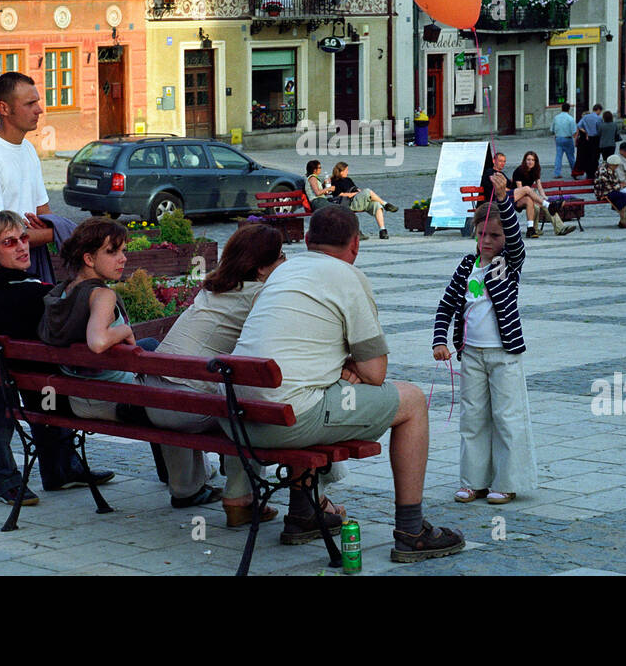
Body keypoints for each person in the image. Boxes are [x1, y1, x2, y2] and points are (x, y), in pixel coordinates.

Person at [227, 205, 465, 562]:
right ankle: (411, 531)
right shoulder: (348, 277)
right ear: (355, 245)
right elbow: (375, 374)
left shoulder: (283, 272)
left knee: (306, 389)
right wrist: (345, 364)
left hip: (239, 419)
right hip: (285, 421)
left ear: (307, 240)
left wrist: (333, 364)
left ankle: (305, 512)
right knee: (413, 401)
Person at [0, 71, 111, 505]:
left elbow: (40, 214)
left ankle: (59, 467)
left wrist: (51, 228)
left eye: (39, 101)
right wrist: (68, 231)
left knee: (46, 374)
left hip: (30, 281)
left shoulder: (25, 150)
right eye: (30, 103)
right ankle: (2, 478)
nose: (40, 109)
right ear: (4, 109)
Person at [37, 217, 220, 509]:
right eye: (113, 251)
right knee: (177, 399)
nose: (123, 258)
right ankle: (188, 488)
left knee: (155, 357)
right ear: (88, 258)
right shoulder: (101, 295)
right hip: (113, 400)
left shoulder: (61, 293)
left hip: (80, 397)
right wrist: (124, 330)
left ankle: (188, 471)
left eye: (123, 250)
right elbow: (97, 342)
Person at [146, 224, 287, 528]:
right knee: (249, 410)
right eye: (281, 257)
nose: (285, 263)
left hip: (153, 398)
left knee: (192, 386)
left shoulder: (216, 287)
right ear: (262, 268)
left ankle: (186, 489)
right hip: (183, 408)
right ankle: (243, 498)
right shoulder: (261, 295)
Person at [0, 210, 100, 508]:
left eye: (24, 238)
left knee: (5, 391)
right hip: (59, 391)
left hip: (34, 383)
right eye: (9, 242)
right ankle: (39, 471)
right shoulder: (30, 292)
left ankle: (55, 468)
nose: (22, 246)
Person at [432, 173, 535, 506]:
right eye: (481, 235)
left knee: (507, 417)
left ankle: (506, 481)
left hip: (504, 354)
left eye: (494, 235)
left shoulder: (509, 265)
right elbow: (447, 305)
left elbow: (517, 241)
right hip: (471, 354)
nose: (487, 241)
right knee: (472, 417)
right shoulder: (466, 266)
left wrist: (504, 199)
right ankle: (473, 480)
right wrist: (440, 340)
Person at [328, 161, 395, 239]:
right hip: (348, 202)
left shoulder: (348, 179)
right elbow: (339, 195)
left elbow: (356, 188)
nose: (348, 172)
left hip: (358, 201)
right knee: (367, 191)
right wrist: (355, 194)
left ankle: (383, 230)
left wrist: (359, 192)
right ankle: (385, 204)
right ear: (340, 171)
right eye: (346, 170)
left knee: (376, 204)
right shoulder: (334, 181)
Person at [594, 154, 626, 228]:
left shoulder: (612, 169)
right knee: (621, 197)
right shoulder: (603, 171)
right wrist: (620, 186)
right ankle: (623, 220)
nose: (617, 167)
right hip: (604, 193)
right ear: (612, 164)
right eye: (616, 165)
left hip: (613, 190)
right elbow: (606, 186)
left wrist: (621, 186)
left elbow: (615, 183)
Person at [510, 150, 548, 238]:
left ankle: (559, 228)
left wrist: (543, 196)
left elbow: (539, 186)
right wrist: (535, 198)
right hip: (517, 198)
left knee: (545, 205)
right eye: (528, 159)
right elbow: (520, 190)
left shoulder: (535, 170)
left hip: (529, 196)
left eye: (532, 160)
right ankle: (533, 229)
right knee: (537, 206)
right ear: (524, 160)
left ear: (535, 162)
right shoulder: (519, 171)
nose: (530, 162)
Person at [575, 104, 603, 177]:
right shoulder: (598, 118)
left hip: (588, 138)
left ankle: (588, 172)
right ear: (598, 110)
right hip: (595, 138)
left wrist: (586, 131)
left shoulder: (585, 117)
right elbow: (599, 129)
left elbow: (579, 125)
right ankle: (593, 172)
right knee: (595, 157)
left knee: (588, 156)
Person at [551, 103, 576, 178]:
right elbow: (573, 131)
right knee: (571, 157)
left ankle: (557, 173)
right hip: (567, 138)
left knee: (558, 156)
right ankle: (574, 172)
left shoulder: (556, 117)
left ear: (561, 108)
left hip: (558, 138)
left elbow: (552, 129)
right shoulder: (570, 119)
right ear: (569, 109)